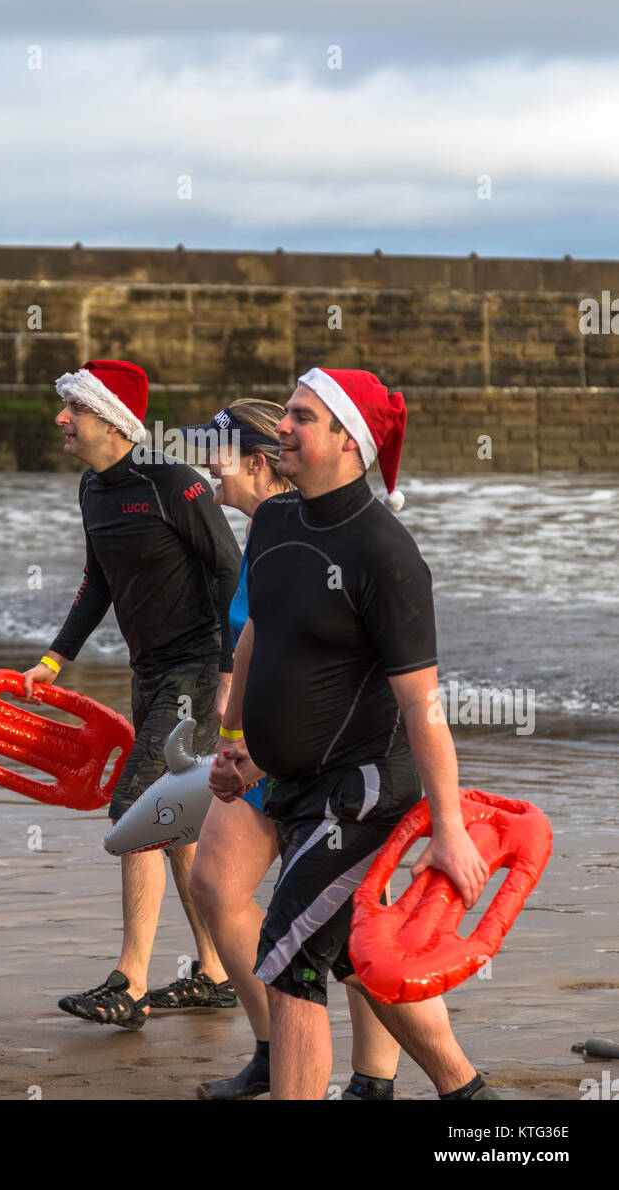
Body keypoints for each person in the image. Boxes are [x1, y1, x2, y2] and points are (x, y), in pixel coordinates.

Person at [209, 368, 499, 1100]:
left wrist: (451, 827)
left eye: (302, 417)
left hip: (364, 789)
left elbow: (422, 707)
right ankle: (469, 1096)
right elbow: (257, 641)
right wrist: (239, 740)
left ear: (349, 440)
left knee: (287, 949)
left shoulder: (385, 552)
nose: (283, 425)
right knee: (346, 958)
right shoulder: (273, 522)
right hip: (294, 785)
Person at [184, 399, 401, 1101]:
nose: (203, 465)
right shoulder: (268, 526)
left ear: (255, 461)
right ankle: (276, 1050)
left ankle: (378, 1078)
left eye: (214, 451)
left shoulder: (324, 530)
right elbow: (253, 639)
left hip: (340, 761)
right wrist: (231, 728)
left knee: (348, 928)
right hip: (262, 750)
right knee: (217, 885)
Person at [23, 359, 242, 1028]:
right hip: (148, 672)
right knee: (176, 828)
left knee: (141, 809)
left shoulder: (175, 484)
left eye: (75, 409)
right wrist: (56, 657)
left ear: (114, 419)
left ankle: (132, 983)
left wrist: (231, 672)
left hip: (196, 672)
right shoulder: (94, 489)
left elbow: (233, 572)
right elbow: (100, 580)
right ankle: (214, 971)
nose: (62, 418)